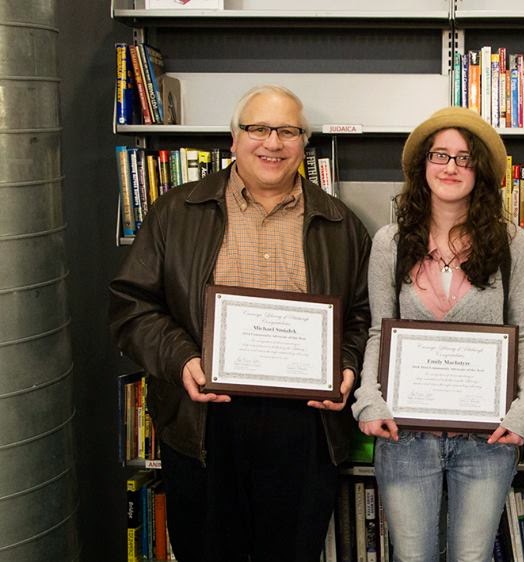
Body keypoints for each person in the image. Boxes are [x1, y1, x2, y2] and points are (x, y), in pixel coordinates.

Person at [109, 85, 372, 562]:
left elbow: (361, 317)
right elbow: (132, 305)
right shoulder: (175, 212)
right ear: (234, 139)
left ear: (303, 143)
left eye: (288, 131)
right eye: (258, 129)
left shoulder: (341, 225)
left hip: (305, 427)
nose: (273, 142)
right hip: (205, 423)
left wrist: (348, 366)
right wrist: (181, 359)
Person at [352, 106, 524, 562]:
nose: (451, 167)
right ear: (423, 165)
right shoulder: (390, 242)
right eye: (440, 155)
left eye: (464, 158)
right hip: (405, 437)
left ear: (481, 170)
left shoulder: (511, 243)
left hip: (487, 440)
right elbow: (379, 331)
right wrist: (369, 398)